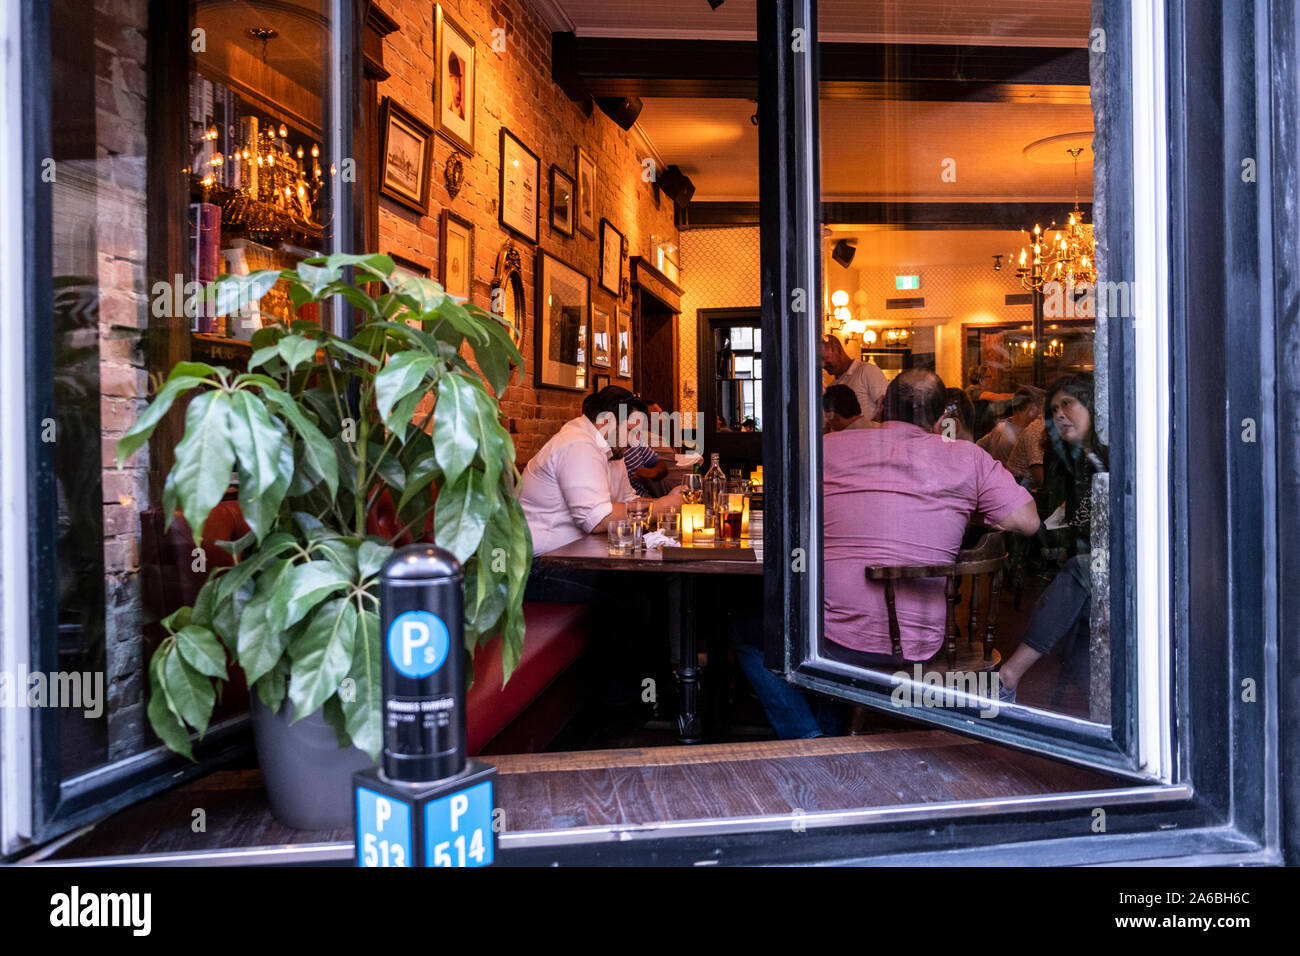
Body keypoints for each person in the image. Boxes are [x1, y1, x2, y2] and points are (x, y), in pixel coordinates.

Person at [821, 369, 1041, 665]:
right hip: (918, 641)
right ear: (940, 421)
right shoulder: (968, 457)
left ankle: (828, 702)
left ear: (883, 404)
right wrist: (967, 508)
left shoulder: (826, 448)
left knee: (748, 630)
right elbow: (1028, 522)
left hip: (829, 635)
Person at [996, 374, 1108, 703]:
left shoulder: (1118, 454)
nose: (1059, 414)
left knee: (1080, 569)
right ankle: (1107, 711)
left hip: (1134, 562)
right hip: (1095, 568)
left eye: (1068, 404)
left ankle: (1008, 676)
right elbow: (1074, 527)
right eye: (1054, 408)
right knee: (1080, 610)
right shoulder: (1062, 463)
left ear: (1091, 405)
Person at [519, 386, 682, 556]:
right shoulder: (577, 444)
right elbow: (598, 519)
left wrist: (669, 499)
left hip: (580, 553)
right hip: (541, 562)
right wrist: (665, 505)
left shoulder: (613, 450)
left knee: (665, 565)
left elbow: (629, 501)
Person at [822, 334, 887, 423]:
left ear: (838, 350)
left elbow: (886, 408)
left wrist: (873, 431)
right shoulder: (832, 386)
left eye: (824, 358)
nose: (823, 365)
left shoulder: (867, 371)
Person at [978, 385, 1045, 466]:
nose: (1044, 415)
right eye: (1043, 410)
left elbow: (978, 446)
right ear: (1032, 409)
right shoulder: (1023, 438)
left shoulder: (1001, 427)